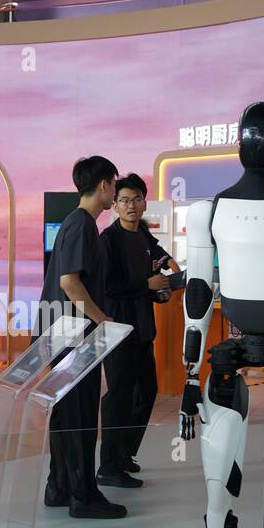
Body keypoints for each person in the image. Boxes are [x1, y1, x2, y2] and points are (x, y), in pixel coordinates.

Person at [36, 156, 125, 519]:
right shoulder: (83, 225)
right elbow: (69, 282)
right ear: (104, 184)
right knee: (79, 416)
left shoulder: (76, 224)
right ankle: (83, 495)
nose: (116, 192)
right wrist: (102, 319)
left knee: (67, 414)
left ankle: (60, 487)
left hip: (65, 334)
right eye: (115, 185)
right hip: (74, 337)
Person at [96, 173, 170, 488]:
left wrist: (157, 292)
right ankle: (109, 467)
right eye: (124, 200)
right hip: (116, 331)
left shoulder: (143, 235)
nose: (131, 205)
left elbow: (150, 278)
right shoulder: (107, 241)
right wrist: (146, 285)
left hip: (142, 329)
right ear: (114, 204)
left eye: (137, 199)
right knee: (118, 398)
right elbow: (108, 287)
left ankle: (124, 453)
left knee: (146, 392)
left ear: (144, 202)